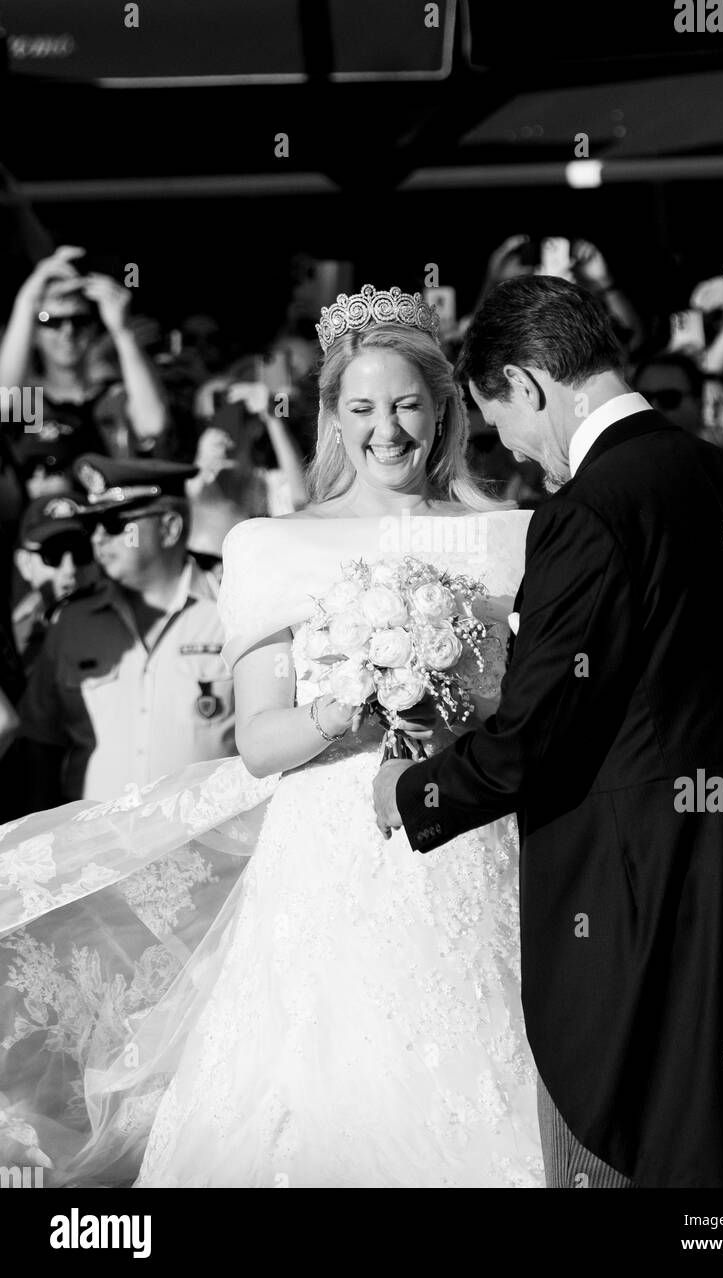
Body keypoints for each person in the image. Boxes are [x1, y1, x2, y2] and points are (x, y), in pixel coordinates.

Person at [0, 286, 542, 1188]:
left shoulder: (512, 538)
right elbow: (258, 742)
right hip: (331, 860)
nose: (389, 430)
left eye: (408, 405)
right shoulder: (271, 546)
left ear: (443, 408)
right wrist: (356, 705)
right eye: (363, 409)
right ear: (332, 419)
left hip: (474, 846)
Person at [373, 273, 723, 1189]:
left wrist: (413, 790)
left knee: (671, 1157)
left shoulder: (588, 513)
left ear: (526, 382)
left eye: (505, 425)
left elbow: (534, 735)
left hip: (649, 902)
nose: (519, 459)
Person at [17, 456, 236, 807]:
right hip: (96, 854)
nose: (99, 537)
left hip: (205, 851)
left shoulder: (232, 610)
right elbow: (42, 744)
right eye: (93, 525)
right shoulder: (71, 623)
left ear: (169, 528)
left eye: (115, 523)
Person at [0, 246, 170, 494]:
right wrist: (27, 302)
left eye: (79, 321)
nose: (67, 332)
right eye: (52, 321)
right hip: (47, 526)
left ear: (93, 328)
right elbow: (3, 400)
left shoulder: (112, 398)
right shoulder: (31, 401)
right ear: (33, 333)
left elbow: (154, 425)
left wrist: (122, 331)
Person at [12, 494, 100, 675]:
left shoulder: (137, 618)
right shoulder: (14, 642)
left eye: (82, 551)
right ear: (25, 564)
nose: (70, 569)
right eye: (53, 554)